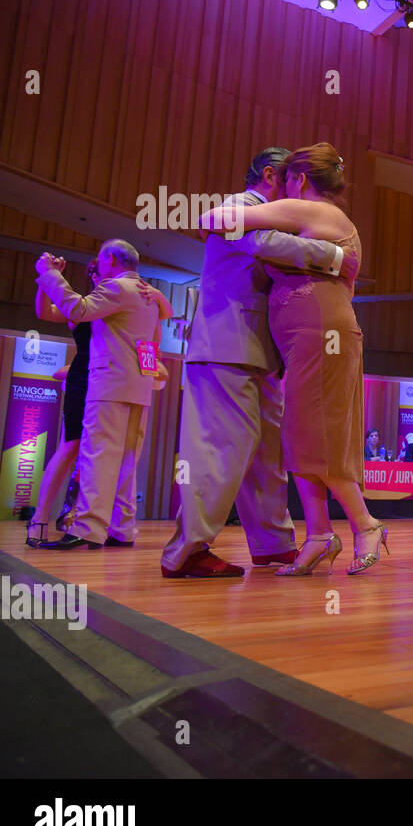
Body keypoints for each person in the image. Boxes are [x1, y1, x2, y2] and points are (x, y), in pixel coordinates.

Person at [197, 142, 387, 575]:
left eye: (288, 183)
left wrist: (255, 238)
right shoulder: (321, 217)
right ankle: (319, 534)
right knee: (299, 436)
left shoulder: (315, 211)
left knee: (317, 435)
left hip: (321, 334)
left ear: (300, 180)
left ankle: (366, 523)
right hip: (310, 336)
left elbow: (213, 219)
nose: (283, 192)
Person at [160, 148, 350, 578]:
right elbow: (260, 241)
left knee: (267, 454)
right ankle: (187, 550)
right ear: (270, 175)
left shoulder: (271, 212)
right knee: (219, 449)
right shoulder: (243, 206)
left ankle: (272, 544)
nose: (298, 192)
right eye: (291, 178)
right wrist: (333, 256)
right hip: (226, 346)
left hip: (257, 352)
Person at [35, 241, 160, 550]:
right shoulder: (148, 293)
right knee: (128, 460)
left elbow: (78, 309)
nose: (99, 266)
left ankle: (87, 528)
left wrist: (50, 274)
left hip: (110, 382)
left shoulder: (117, 287)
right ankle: (122, 528)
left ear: (112, 260)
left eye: (102, 259)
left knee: (98, 455)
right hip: (139, 384)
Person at [26, 262, 99, 547]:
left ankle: (89, 522)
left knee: (102, 454)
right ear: (92, 276)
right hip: (84, 378)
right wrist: (46, 278)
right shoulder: (82, 307)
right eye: (96, 271)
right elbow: (44, 312)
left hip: (112, 380)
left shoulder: (121, 300)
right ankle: (39, 519)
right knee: (72, 446)